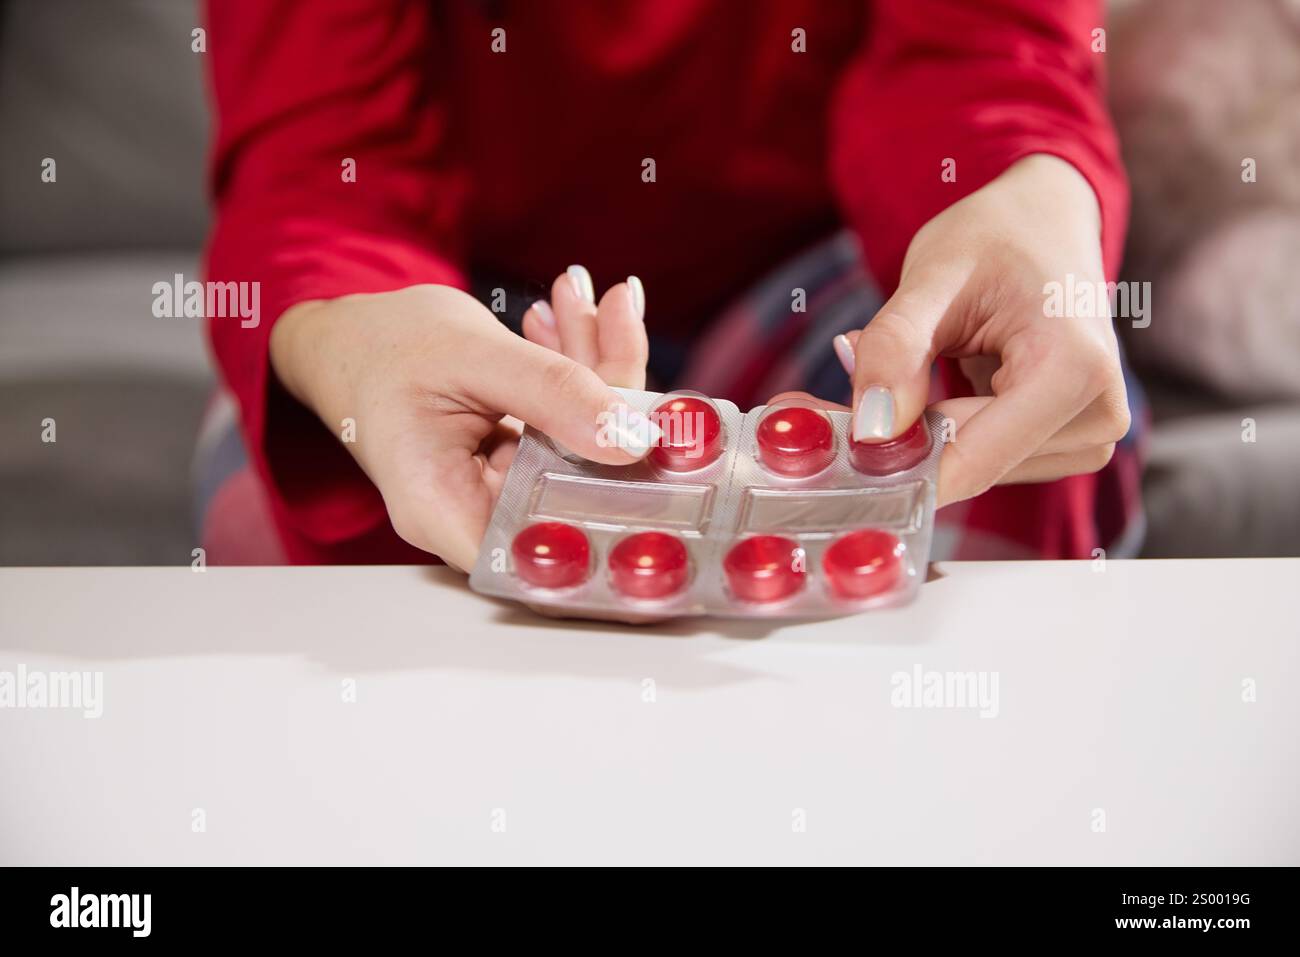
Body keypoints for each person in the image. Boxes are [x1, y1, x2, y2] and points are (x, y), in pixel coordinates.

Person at [200, 0, 1145, 574]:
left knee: (1014, 427)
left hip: (815, 279)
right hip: (462, 295)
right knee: (294, 483)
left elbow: (981, 59)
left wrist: (1031, 189)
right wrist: (357, 336)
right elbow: (320, 158)